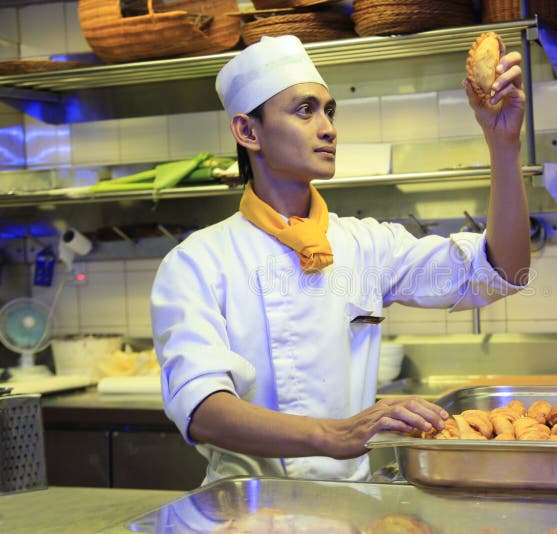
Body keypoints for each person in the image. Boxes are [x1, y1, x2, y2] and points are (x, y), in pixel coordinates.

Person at [151, 34, 530, 484]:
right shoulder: (197, 262)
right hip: (246, 506)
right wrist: (335, 435)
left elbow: (500, 271)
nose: (328, 128)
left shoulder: (364, 244)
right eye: (304, 110)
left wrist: (503, 143)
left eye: (329, 111)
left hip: (348, 507)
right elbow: (201, 410)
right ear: (248, 132)